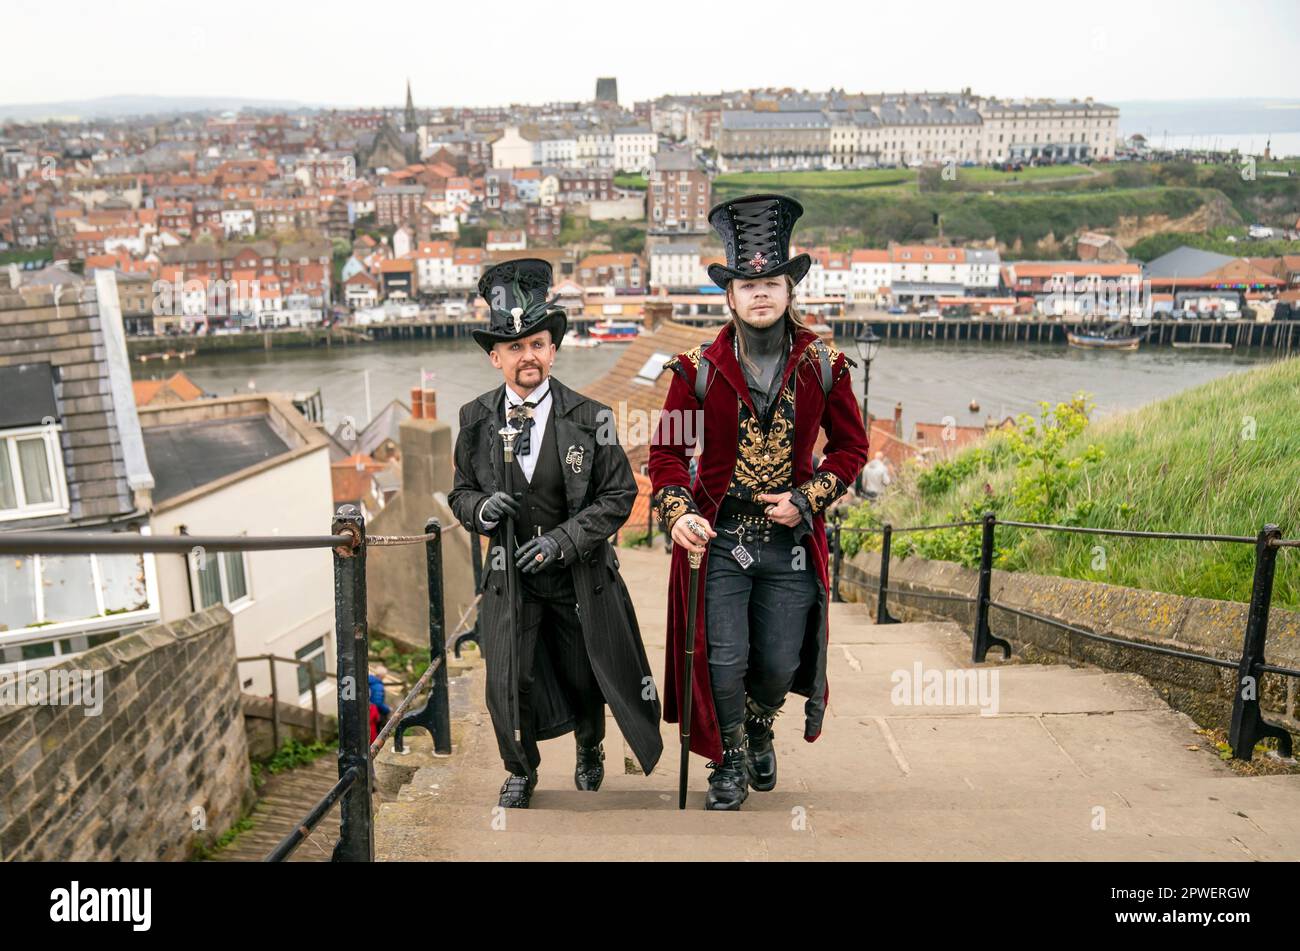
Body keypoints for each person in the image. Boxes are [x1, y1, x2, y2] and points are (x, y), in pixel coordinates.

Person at [649, 194, 871, 810]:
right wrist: (679, 513)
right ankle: (730, 760)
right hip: (721, 537)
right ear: (730, 295)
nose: (761, 294)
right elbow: (665, 458)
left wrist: (808, 498)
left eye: (771, 281)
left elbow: (852, 448)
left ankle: (761, 722)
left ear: (789, 288)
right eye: (748, 284)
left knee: (775, 662)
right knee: (724, 656)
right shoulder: (694, 371)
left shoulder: (826, 365)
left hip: (791, 541)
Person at [448, 258, 663, 808]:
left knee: (586, 675)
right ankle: (520, 769)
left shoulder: (594, 418)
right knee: (509, 680)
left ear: (553, 349)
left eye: (538, 344)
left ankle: (590, 747)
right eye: (515, 348)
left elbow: (619, 496)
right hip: (510, 582)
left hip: (578, 579)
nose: (529, 357)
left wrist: (562, 541)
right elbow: (459, 494)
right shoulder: (473, 420)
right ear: (495, 357)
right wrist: (481, 509)